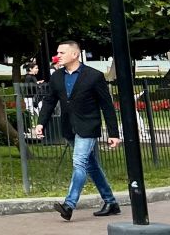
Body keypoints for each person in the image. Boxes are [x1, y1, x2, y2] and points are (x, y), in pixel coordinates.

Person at [33, 41, 121, 221]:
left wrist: (114, 133)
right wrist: (41, 123)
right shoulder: (57, 76)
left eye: (62, 52)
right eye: (58, 52)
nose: (58, 55)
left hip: (88, 126)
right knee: (91, 165)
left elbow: (107, 106)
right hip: (69, 127)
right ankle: (111, 202)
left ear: (75, 55)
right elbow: (50, 101)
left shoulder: (94, 76)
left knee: (79, 161)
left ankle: (69, 205)